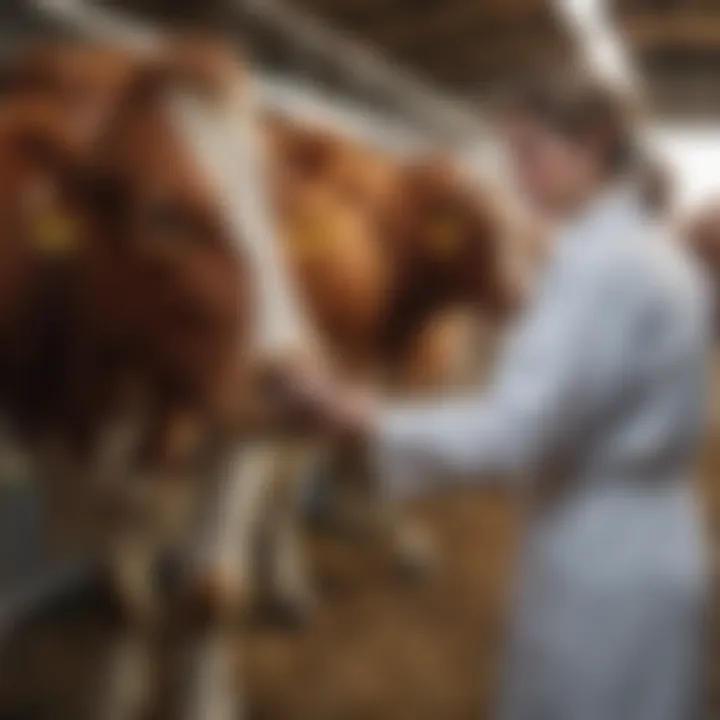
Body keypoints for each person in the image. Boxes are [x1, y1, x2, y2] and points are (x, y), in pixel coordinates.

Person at [282, 70, 714, 720]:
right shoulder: (660, 253)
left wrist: (366, 418)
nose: (516, 175)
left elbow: (513, 433)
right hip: (654, 539)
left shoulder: (599, 267)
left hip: (597, 562)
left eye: (529, 152)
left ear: (592, 144)